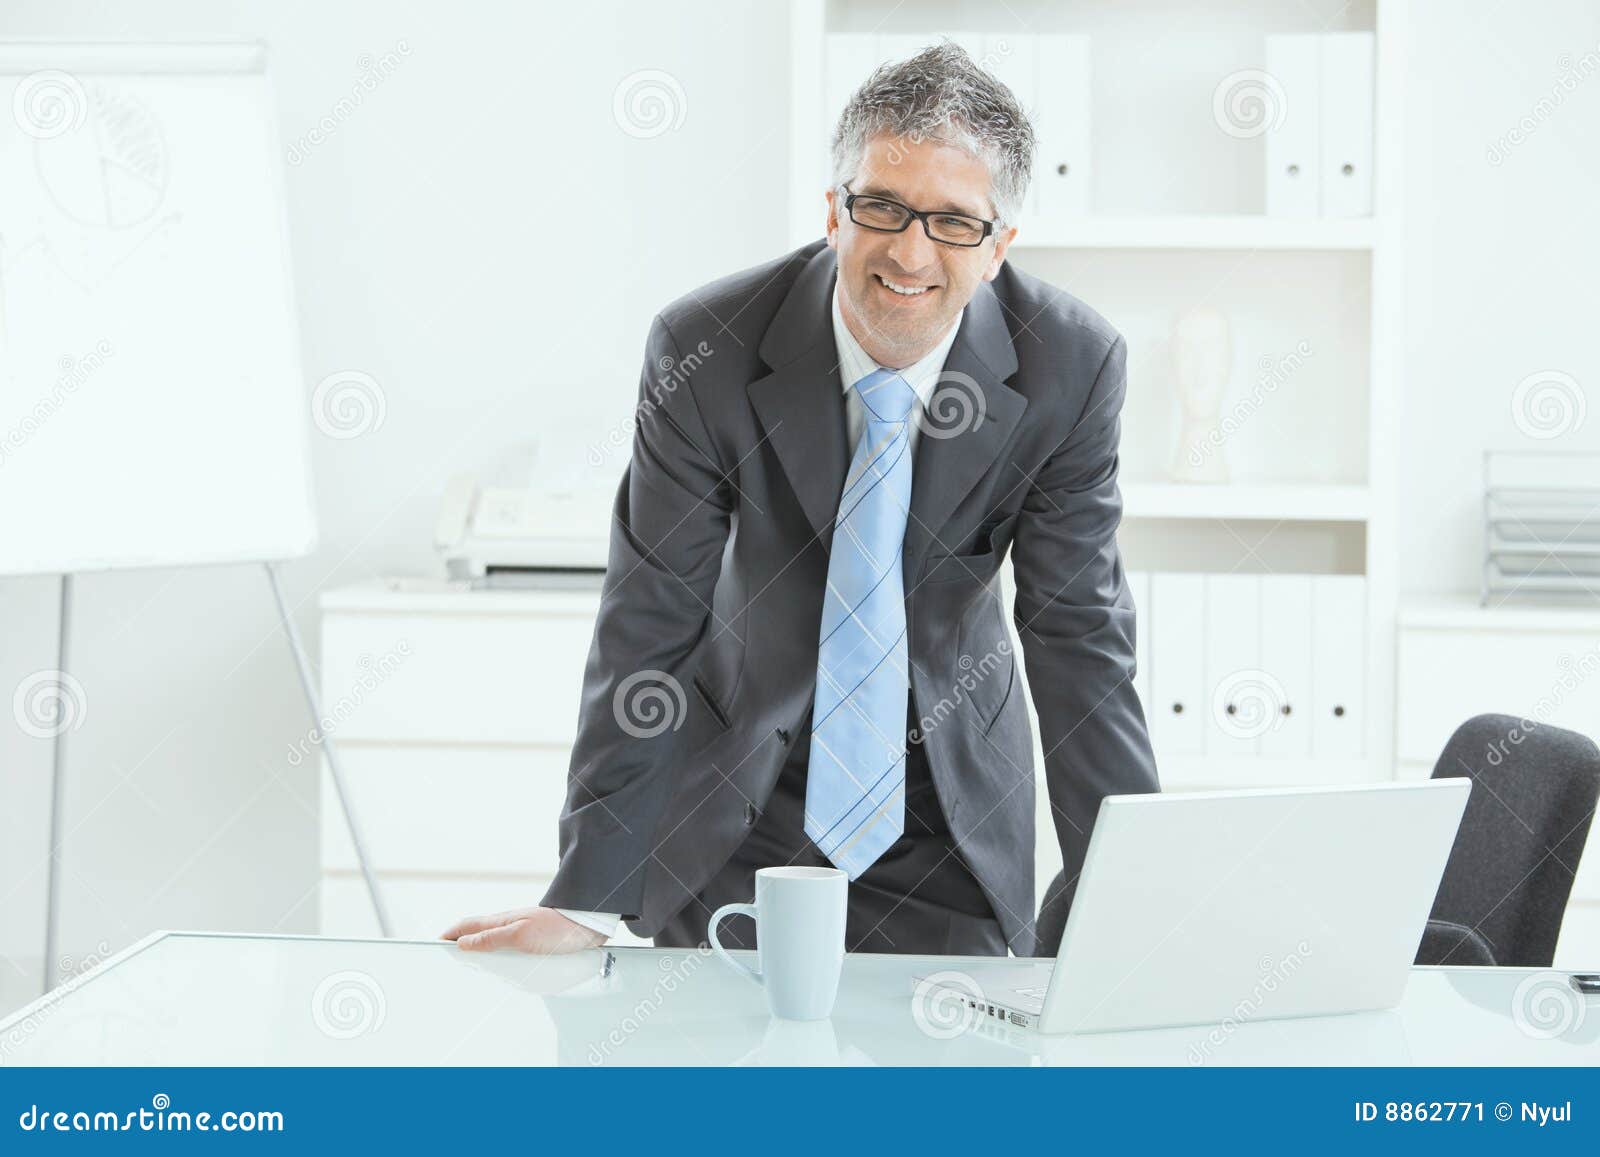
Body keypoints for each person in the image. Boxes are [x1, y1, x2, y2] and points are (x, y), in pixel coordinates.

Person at [442, 41, 1158, 959]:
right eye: (882, 207)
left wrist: (1130, 901)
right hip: (741, 801)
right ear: (833, 210)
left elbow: (1079, 642)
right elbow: (649, 621)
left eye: (953, 223)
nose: (909, 251)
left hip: (946, 807)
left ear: (1000, 245)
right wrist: (589, 896)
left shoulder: (1071, 366)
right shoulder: (708, 349)